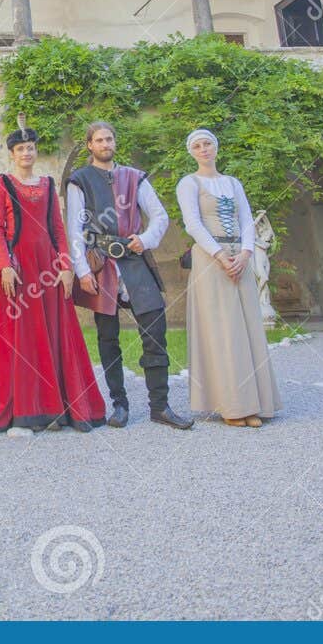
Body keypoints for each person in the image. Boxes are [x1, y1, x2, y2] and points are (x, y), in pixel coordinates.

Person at [0, 121, 106, 433]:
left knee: (55, 332)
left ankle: (60, 407)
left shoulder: (48, 185)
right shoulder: (1, 185)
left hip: (48, 268)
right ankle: (23, 408)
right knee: (20, 336)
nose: (26, 153)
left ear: (35, 152)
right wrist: (5, 264)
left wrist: (65, 266)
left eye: (30, 148)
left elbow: (59, 230)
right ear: (12, 154)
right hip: (18, 268)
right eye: (21, 149)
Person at [67, 121, 194, 430]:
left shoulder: (135, 177)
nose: (105, 144)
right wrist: (82, 270)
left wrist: (146, 239)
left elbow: (159, 215)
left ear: (114, 142)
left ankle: (160, 406)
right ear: (90, 146)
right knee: (108, 338)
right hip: (100, 263)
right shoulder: (79, 180)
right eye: (99, 140)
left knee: (155, 333)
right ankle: (119, 404)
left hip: (135, 260)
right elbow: (73, 229)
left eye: (109, 138)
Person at [174, 128, 282, 426]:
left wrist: (246, 254)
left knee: (247, 327)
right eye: (197, 145)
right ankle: (233, 406)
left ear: (216, 147)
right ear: (191, 151)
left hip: (240, 255)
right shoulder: (189, 183)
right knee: (223, 330)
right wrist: (220, 256)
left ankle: (256, 402)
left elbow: (246, 219)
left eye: (207, 143)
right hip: (211, 258)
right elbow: (192, 223)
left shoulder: (232, 183)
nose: (203, 149)